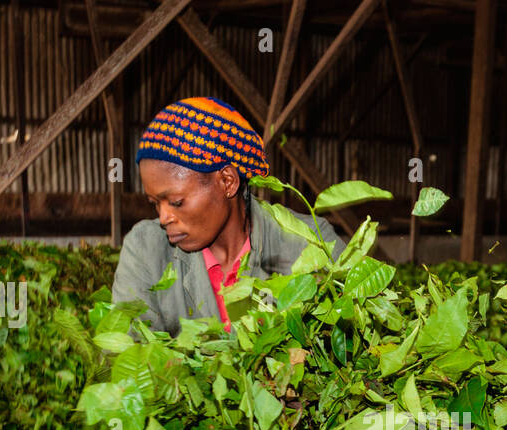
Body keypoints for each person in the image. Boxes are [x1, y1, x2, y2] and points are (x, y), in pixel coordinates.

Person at [112, 96, 345, 337]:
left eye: (176, 202)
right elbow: (128, 351)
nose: (164, 217)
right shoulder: (145, 249)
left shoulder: (311, 245)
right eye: (155, 203)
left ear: (227, 181)